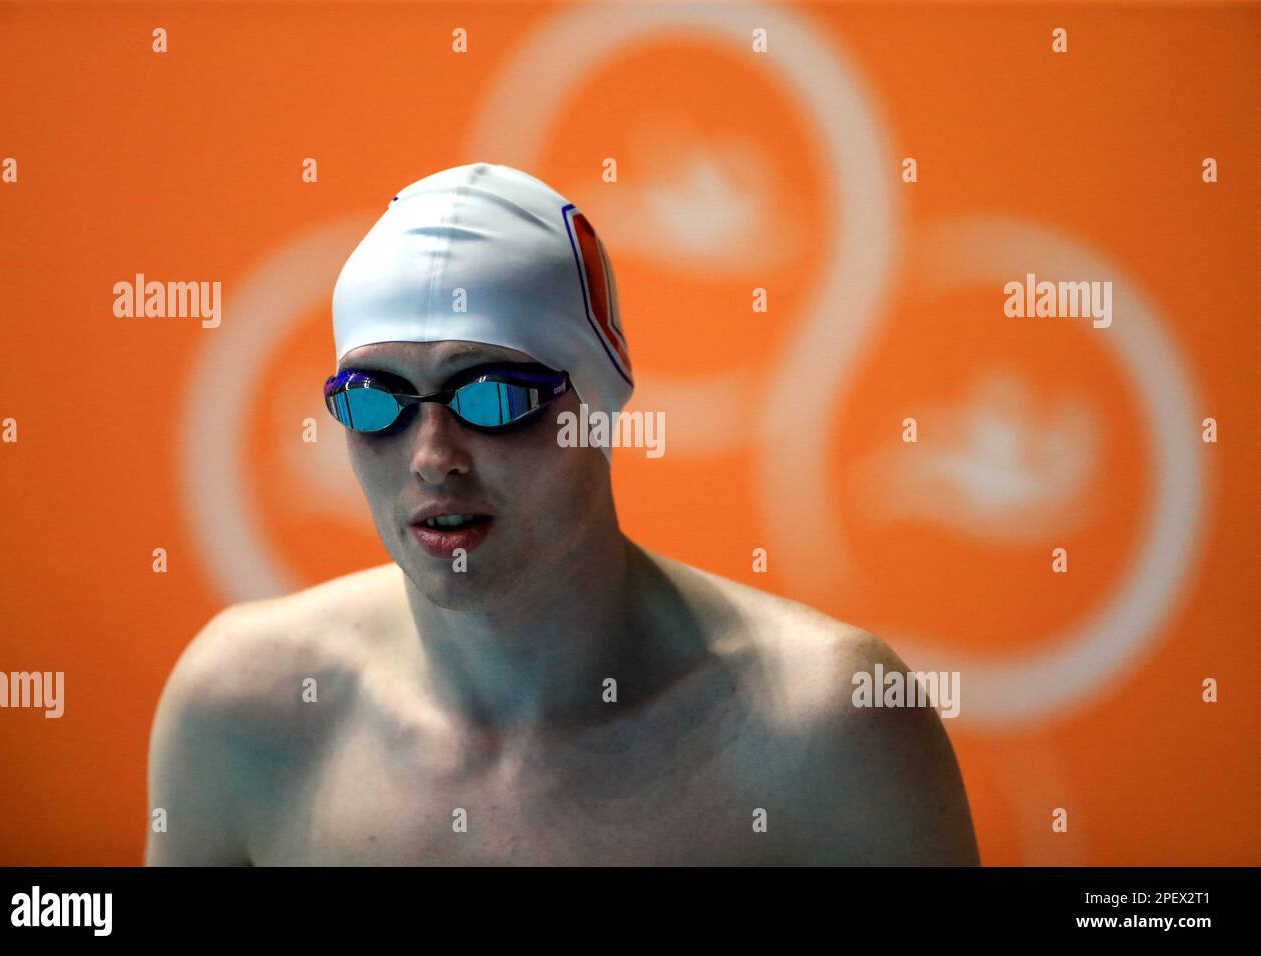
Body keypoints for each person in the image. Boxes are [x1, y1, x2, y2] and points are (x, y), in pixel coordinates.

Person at [146, 162, 979, 866]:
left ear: (598, 405)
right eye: (375, 400)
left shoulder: (824, 731)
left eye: (493, 393)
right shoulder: (244, 712)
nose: (432, 454)